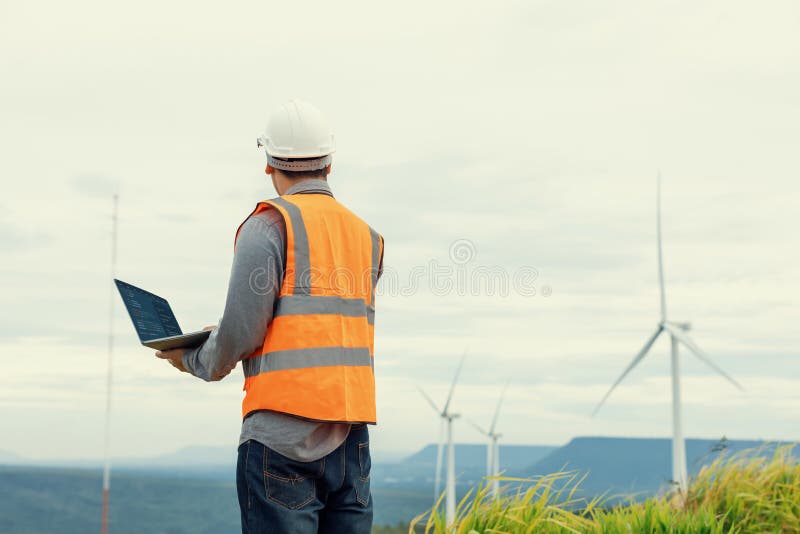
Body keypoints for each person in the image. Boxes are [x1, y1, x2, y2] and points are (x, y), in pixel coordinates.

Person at [156, 99, 384, 534]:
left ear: (269, 164)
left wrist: (193, 357)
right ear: (330, 163)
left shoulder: (269, 226)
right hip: (351, 441)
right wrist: (227, 332)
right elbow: (319, 321)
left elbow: (243, 333)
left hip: (282, 441)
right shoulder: (367, 237)